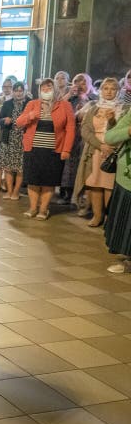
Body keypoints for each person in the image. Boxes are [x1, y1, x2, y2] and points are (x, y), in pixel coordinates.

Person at [16, 78, 75, 220]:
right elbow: (19, 123)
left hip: (54, 151)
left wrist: (66, 149)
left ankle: (43, 210)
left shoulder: (65, 105)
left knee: (49, 181)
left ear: (55, 88)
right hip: (33, 149)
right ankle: (32, 208)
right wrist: (31, 115)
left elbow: (71, 128)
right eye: (44, 87)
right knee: (33, 180)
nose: (46, 90)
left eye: (49, 87)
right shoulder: (32, 104)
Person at [73, 77, 126, 226]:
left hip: (113, 152)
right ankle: (97, 216)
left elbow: (120, 131)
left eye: (112, 88)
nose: (109, 92)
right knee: (95, 183)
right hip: (95, 151)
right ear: (101, 90)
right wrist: (100, 145)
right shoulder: (93, 107)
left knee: (109, 185)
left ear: (118, 90)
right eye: (105, 88)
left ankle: (110, 218)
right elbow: (85, 130)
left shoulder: (124, 109)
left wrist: (111, 121)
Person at [61, 72, 98, 205]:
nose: (80, 85)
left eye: (83, 82)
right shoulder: (70, 97)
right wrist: (70, 94)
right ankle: (67, 193)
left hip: (88, 135)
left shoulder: (94, 98)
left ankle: (83, 195)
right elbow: (58, 108)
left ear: (89, 83)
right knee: (69, 164)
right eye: (77, 81)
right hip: (71, 134)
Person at [104, 105, 131, 273]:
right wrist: (128, 131)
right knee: (125, 222)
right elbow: (110, 136)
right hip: (127, 177)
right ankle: (127, 259)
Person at [0, 82, 28, 200]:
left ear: (24, 91)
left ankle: (16, 191)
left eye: (21, 91)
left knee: (20, 167)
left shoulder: (29, 103)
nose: (18, 93)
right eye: (16, 91)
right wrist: (5, 120)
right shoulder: (7, 103)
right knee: (8, 167)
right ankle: (9, 191)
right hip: (9, 137)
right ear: (13, 92)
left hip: (23, 139)